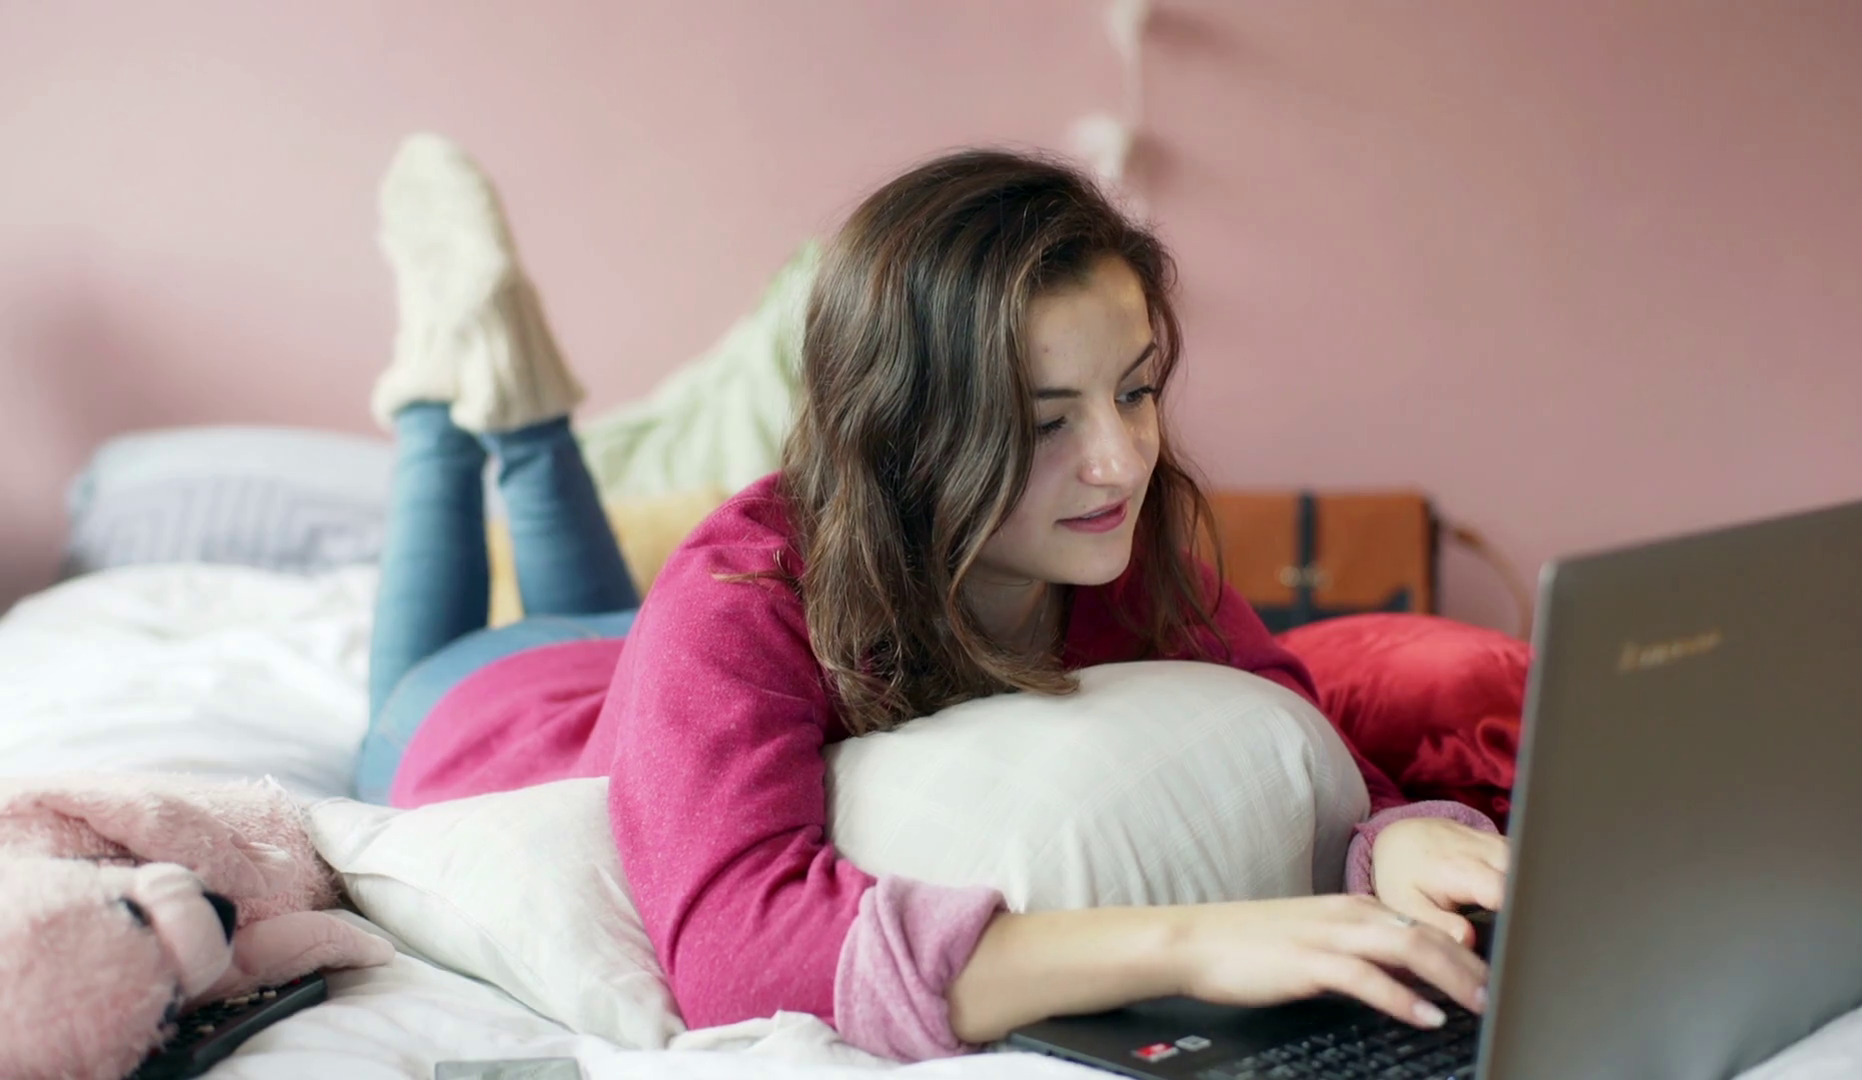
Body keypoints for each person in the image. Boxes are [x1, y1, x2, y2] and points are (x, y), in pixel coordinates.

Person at [353, 136, 1510, 1061]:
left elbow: (1313, 747)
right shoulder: (742, 586)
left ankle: (524, 412)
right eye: (1048, 422)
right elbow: (736, 958)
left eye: (1138, 390)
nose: (1121, 461)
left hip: (642, 678)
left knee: (603, 594)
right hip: (480, 716)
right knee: (452, 628)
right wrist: (1194, 945)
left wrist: (1400, 847)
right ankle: (442, 404)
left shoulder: (1115, 543)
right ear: (906, 431)